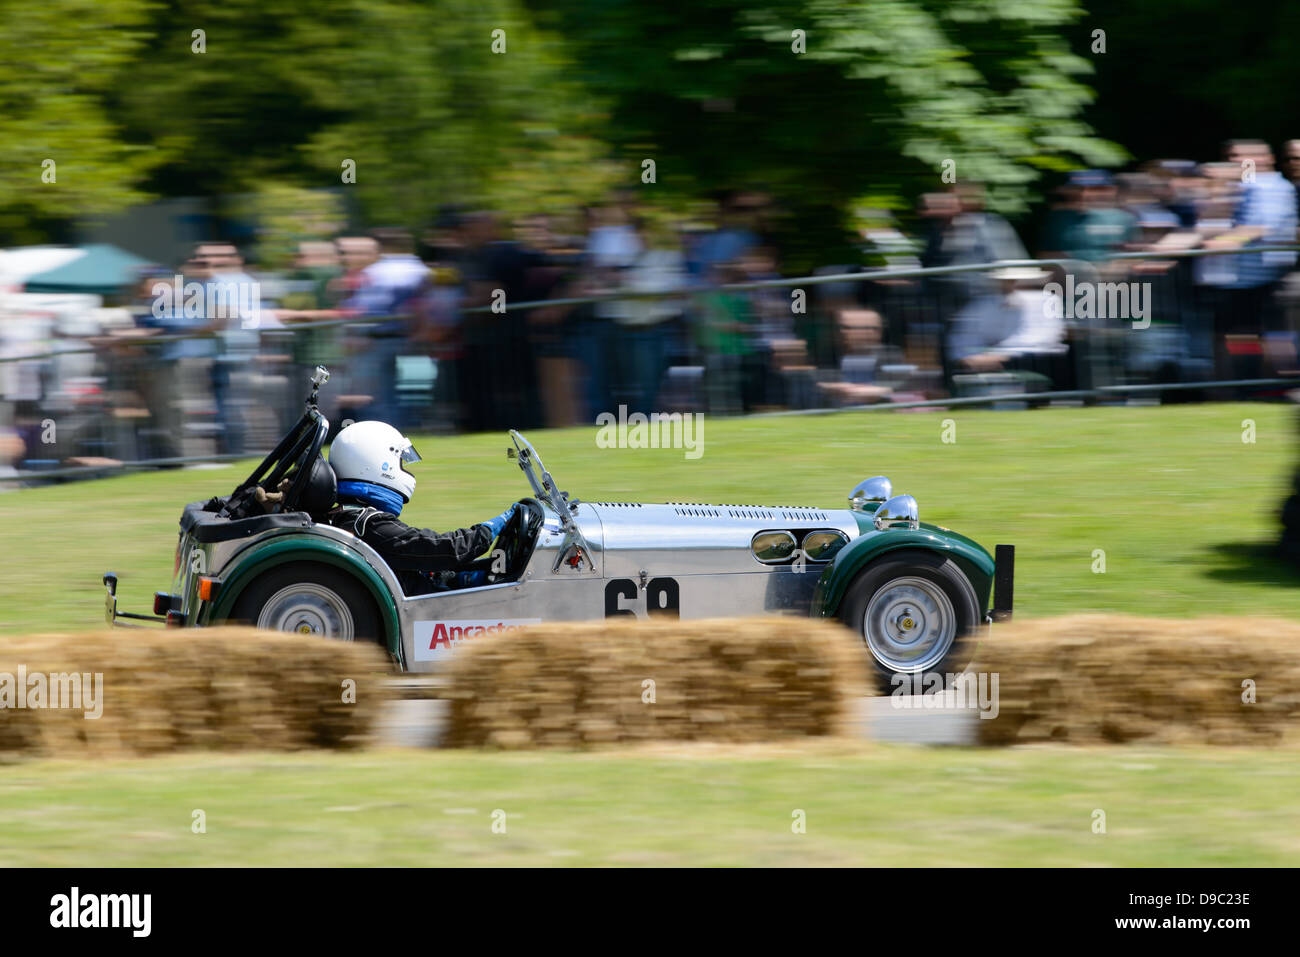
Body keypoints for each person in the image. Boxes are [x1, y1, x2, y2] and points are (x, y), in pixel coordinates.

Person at [324, 420, 517, 596]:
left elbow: (422, 556)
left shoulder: (345, 517)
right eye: (400, 461)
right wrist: (496, 525)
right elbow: (445, 548)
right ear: (376, 464)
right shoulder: (369, 524)